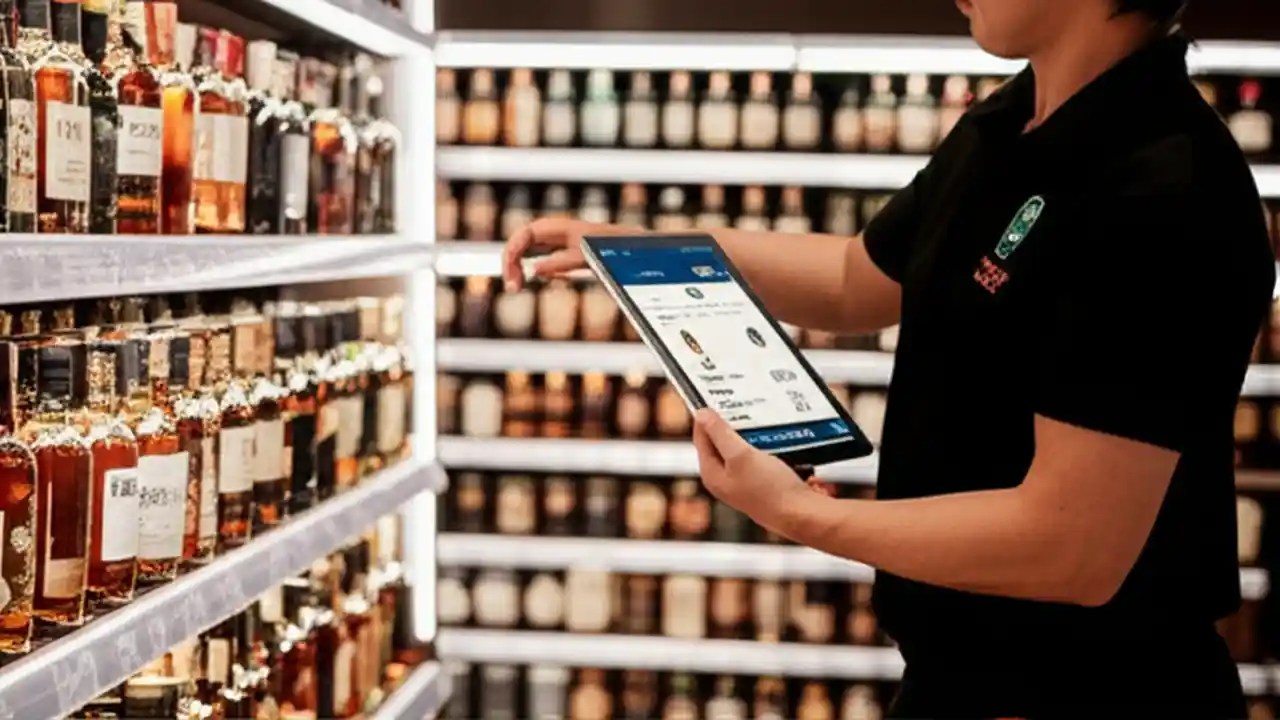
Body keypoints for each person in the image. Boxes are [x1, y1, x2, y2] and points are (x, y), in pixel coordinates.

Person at [502, 0, 1275, 715]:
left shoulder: (1164, 186)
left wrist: (799, 515)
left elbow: (1072, 547)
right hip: (950, 683)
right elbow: (852, 280)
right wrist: (640, 253)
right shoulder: (1008, 121)